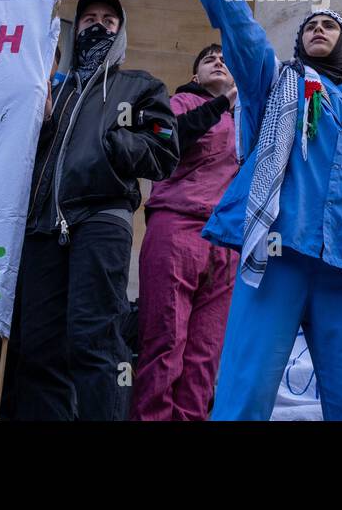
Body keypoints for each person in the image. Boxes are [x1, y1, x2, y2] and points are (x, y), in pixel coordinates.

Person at [158, 0, 342, 421]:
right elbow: (240, 28)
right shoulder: (275, 85)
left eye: (329, 26)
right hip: (274, 256)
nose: (318, 28)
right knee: (243, 396)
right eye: (310, 24)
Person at [2, 0, 179, 420]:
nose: (97, 24)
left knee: (94, 339)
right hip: (44, 225)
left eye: (108, 19)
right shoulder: (51, 90)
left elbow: (163, 150)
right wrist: (40, 121)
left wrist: (112, 142)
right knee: (39, 345)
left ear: (120, 32)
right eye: (88, 18)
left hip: (101, 218)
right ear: (74, 27)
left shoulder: (139, 85)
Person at [130, 44, 240, 421]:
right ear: (195, 77)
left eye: (225, 59)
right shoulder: (178, 103)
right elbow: (169, 138)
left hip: (225, 243)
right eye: (208, 58)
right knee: (165, 342)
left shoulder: (245, 119)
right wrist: (221, 104)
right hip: (178, 227)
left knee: (204, 357)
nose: (218, 61)